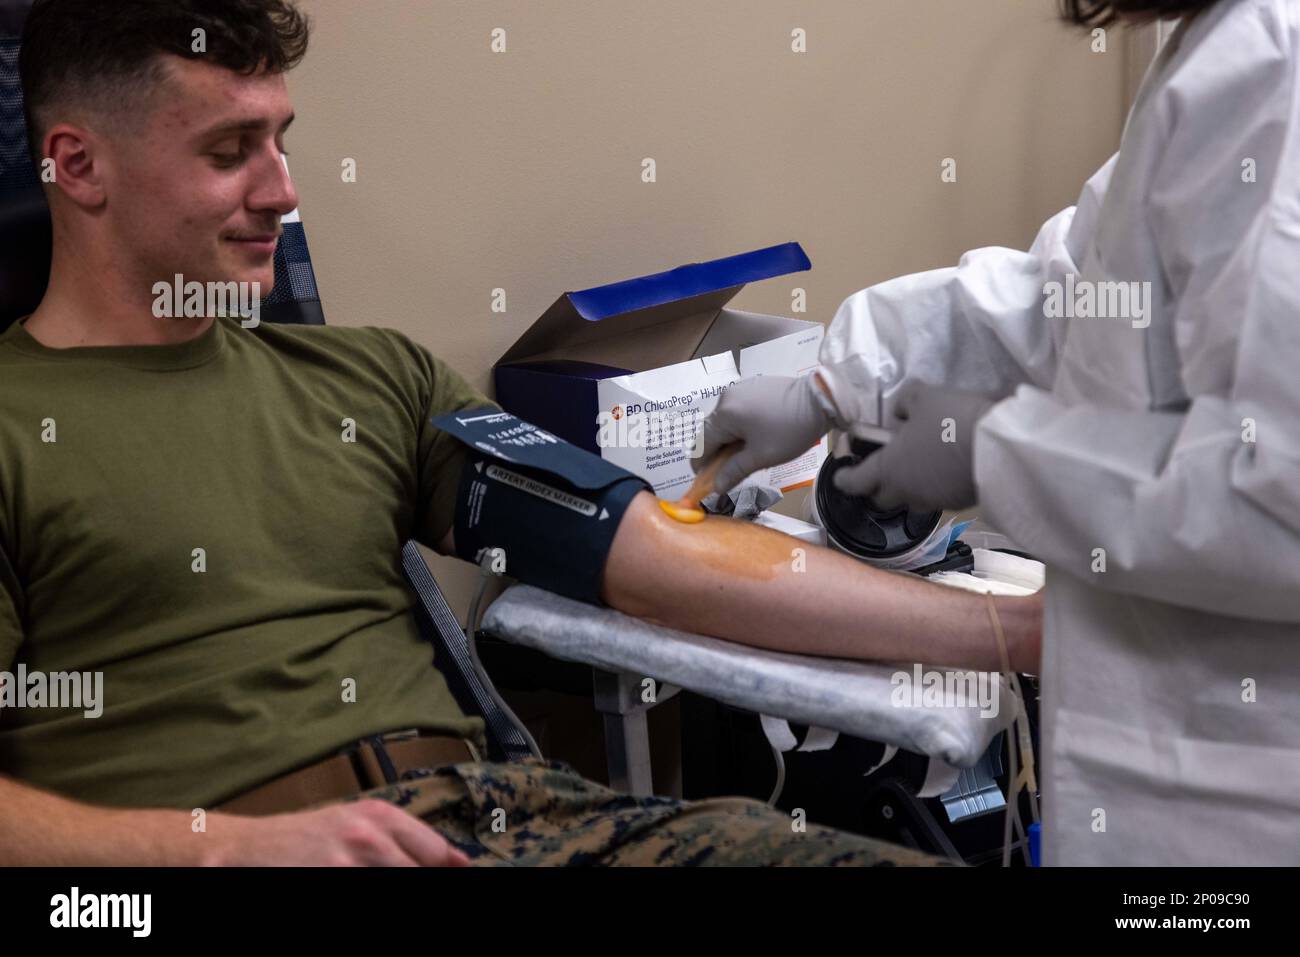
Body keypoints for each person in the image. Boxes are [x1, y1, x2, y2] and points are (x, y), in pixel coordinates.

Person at [0, 0, 1042, 867]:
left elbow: (655, 557)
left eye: (281, 142)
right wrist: (223, 851)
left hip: (497, 821)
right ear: (77, 167)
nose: (282, 192)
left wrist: (1017, 636)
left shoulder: (370, 376)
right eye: (229, 152)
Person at [697, 0, 1300, 866]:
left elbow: (1273, 495)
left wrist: (1000, 453)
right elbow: (1073, 296)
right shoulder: (1222, 54)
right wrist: (835, 382)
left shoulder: (1275, 66)